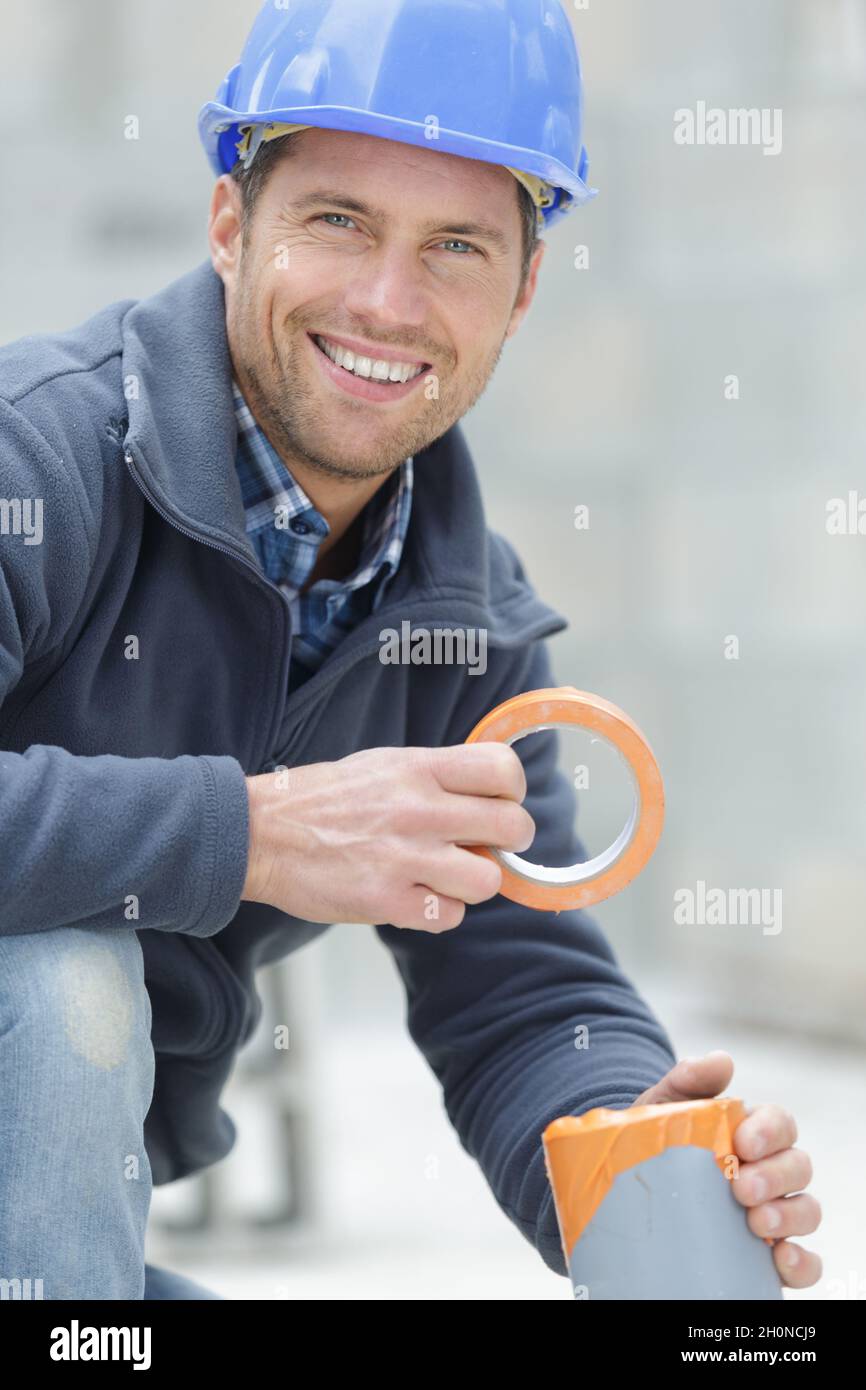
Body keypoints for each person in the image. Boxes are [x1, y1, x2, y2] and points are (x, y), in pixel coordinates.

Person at [0, 0, 820, 1299]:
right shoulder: (34, 459)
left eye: (454, 246)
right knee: (58, 970)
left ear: (521, 289)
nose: (388, 301)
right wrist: (248, 832)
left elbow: (516, 992)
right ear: (232, 225)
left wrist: (647, 1162)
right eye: (338, 221)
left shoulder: (460, 619)